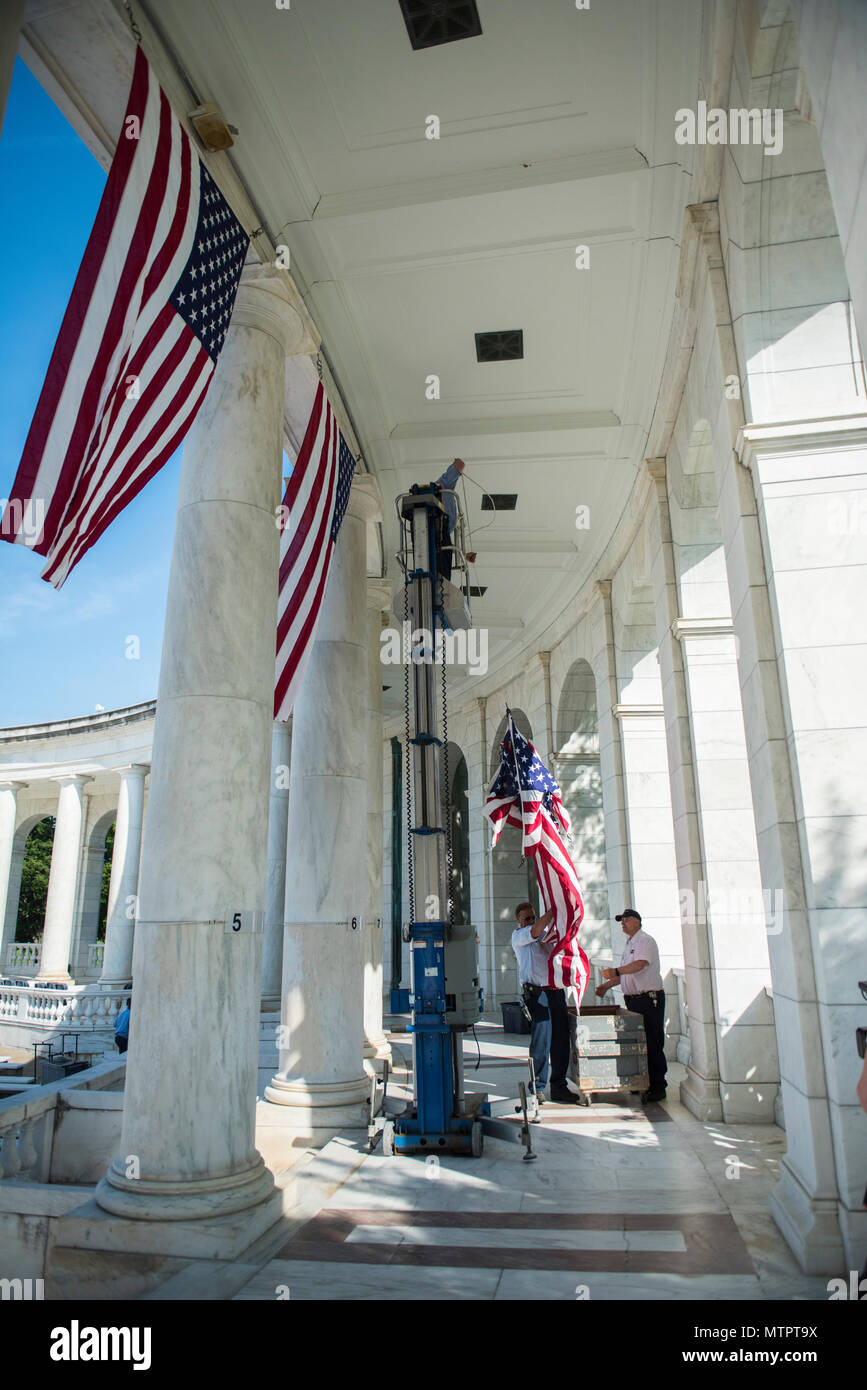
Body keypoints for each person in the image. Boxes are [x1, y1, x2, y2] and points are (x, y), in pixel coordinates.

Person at [595, 908, 667, 1103]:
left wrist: (616, 971)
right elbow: (626, 974)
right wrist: (607, 985)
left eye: (626, 920)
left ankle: (658, 1085)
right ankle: (643, 1081)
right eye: (621, 921)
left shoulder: (645, 941)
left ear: (636, 921)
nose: (623, 923)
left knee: (652, 1042)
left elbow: (640, 965)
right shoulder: (629, 945)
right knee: (638, 1043)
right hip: (633, 1000)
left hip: (648, 999)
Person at [512, 900, 579, 1105]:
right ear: (519, 921)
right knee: (541, 1041)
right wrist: (551, 913)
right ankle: (538, 1085)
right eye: (527, 919)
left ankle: (559, 1085)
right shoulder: (520, 936)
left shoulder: (547, 935)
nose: (531, 921)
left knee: (560, 1040)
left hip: (555, 991)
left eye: (533, 916)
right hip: (537, 994)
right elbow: (535, 931)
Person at [433, 457, 476, 583]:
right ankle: (442, 586)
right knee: (442, 565)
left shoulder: (446, 485)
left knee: (442, 560)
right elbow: (459, 463)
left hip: (441, 529)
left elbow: (447, 547)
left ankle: (442, 587)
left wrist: (464, 554)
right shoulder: (445, 483)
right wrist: (458, 469)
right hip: (438, 526)